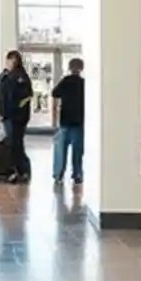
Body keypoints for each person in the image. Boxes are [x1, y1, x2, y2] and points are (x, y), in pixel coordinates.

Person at [0, 50, 33, 184]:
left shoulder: (21, 77)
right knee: (12, 144)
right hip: (6, 115)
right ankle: (17, 170)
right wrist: (0, 113)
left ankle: (20, 170)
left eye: (14, 60)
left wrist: (18, 111)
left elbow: (25, 97)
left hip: (16, 117)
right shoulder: (4, 76)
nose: (11, 63)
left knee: (15, 144)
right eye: (10, 60)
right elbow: (0, 96)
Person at [51, 58, 85, 186]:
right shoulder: (83, 83)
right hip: (79, 121)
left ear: (69, 68)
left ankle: (58, 174)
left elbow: (54, 93)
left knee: (61, 150)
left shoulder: (65, 81)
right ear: (81, 69)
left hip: (65, 120)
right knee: (77, 152)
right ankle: (77, 174)